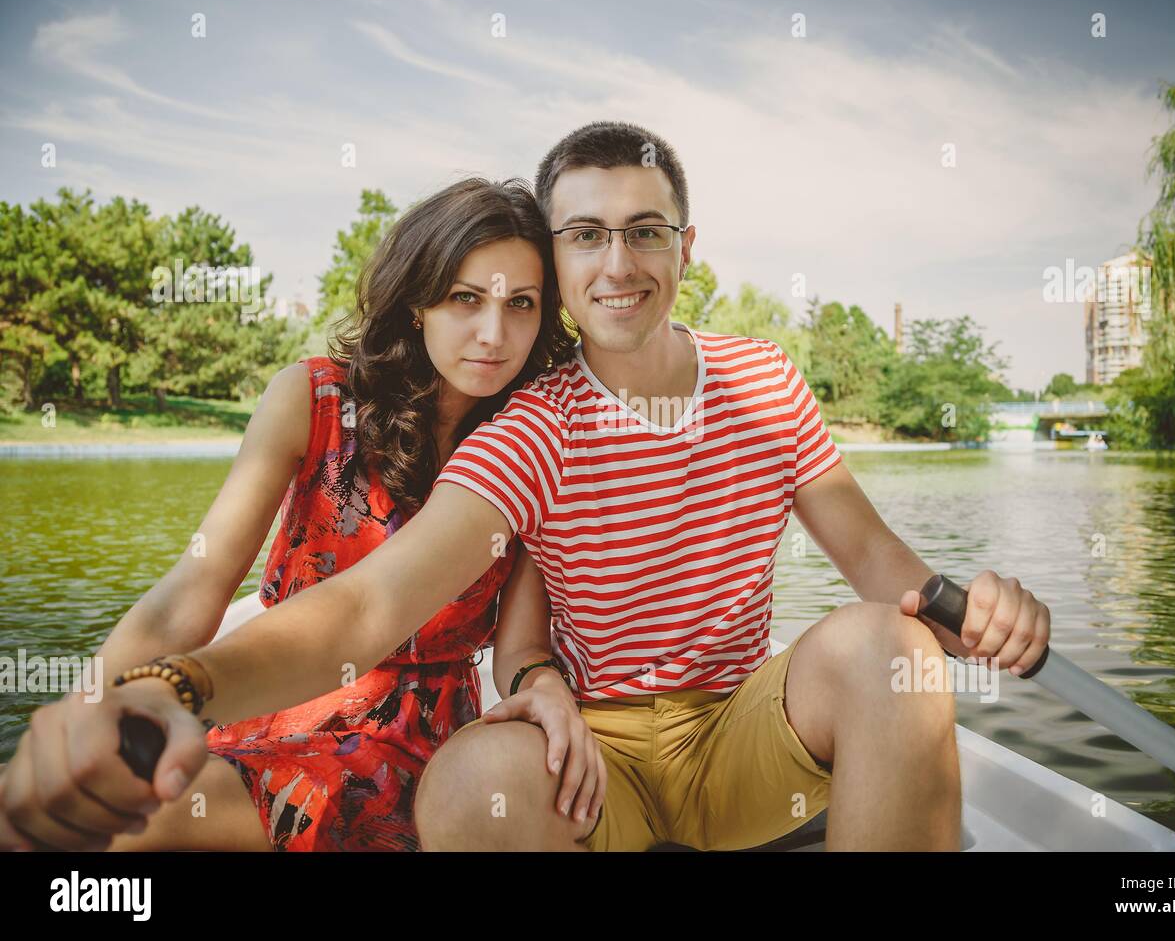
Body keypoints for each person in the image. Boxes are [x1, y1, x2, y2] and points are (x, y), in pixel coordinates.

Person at [1, 123, 1051, 852]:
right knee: (72, 830)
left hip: (668, 728)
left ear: (685, 249)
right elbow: (335, 602)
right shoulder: (479, 420)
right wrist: (129, 692)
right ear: (418, 302)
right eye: (584, 235)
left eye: (643, 230)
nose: (492, 330)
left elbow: (876, 567)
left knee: (889, 644)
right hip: (460, 731)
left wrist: (979, 615)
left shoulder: (705, 390)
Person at [0, 177, 595, 851]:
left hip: (408, 746)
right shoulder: (312, 400)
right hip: (258, 699)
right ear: (416, 303)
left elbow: (520, 646)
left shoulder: (535, 444)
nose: (494, 333)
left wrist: (544, 686)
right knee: (63, 809)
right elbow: (193, 587)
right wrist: (84, 719)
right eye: (465, 298)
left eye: (520, 304)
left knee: (143, 824)